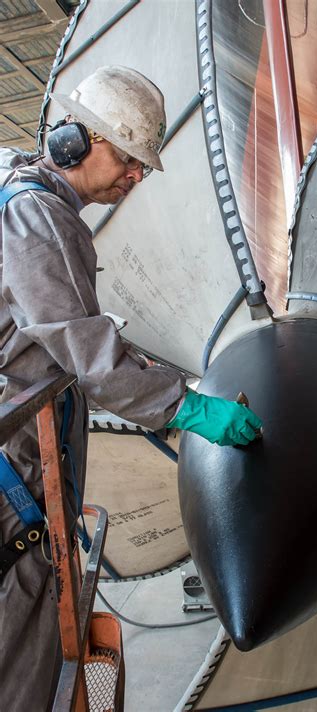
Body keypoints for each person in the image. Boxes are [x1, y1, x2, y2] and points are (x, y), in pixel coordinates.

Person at [0, 65, 262, 711]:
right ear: (73, 142)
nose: (136, 175)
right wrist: (186, 407)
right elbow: (81, 346)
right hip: (15, 454)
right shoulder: (37, 217)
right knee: (26, 599)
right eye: (127, 157)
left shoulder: (21, 191)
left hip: (26, 429)